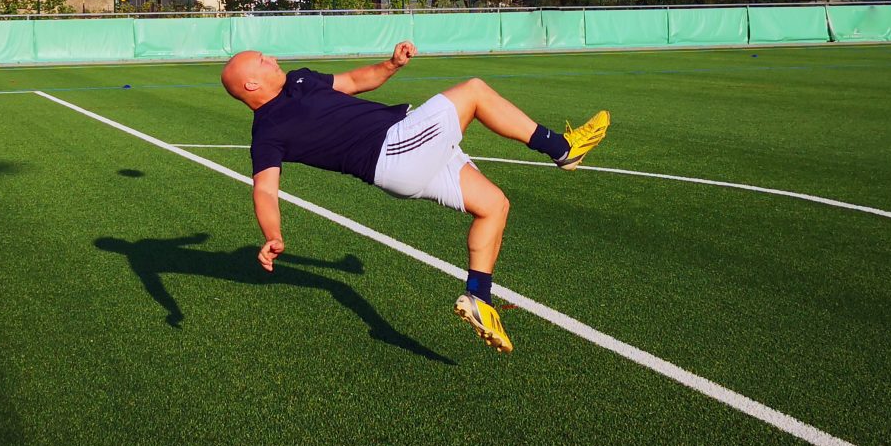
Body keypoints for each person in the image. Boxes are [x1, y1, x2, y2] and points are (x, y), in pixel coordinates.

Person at [220, 42, 609, 353]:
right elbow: (266, 189)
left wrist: (391, 65)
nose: (271, 58)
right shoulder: (267, 132)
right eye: (262, 60)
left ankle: (479, 298)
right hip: (395, 149)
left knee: (494, 205)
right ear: (251, 85)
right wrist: (273, 234)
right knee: (473, 91)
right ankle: (562, 148)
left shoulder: (301, 80)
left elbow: (355, 80)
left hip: (402, 159)